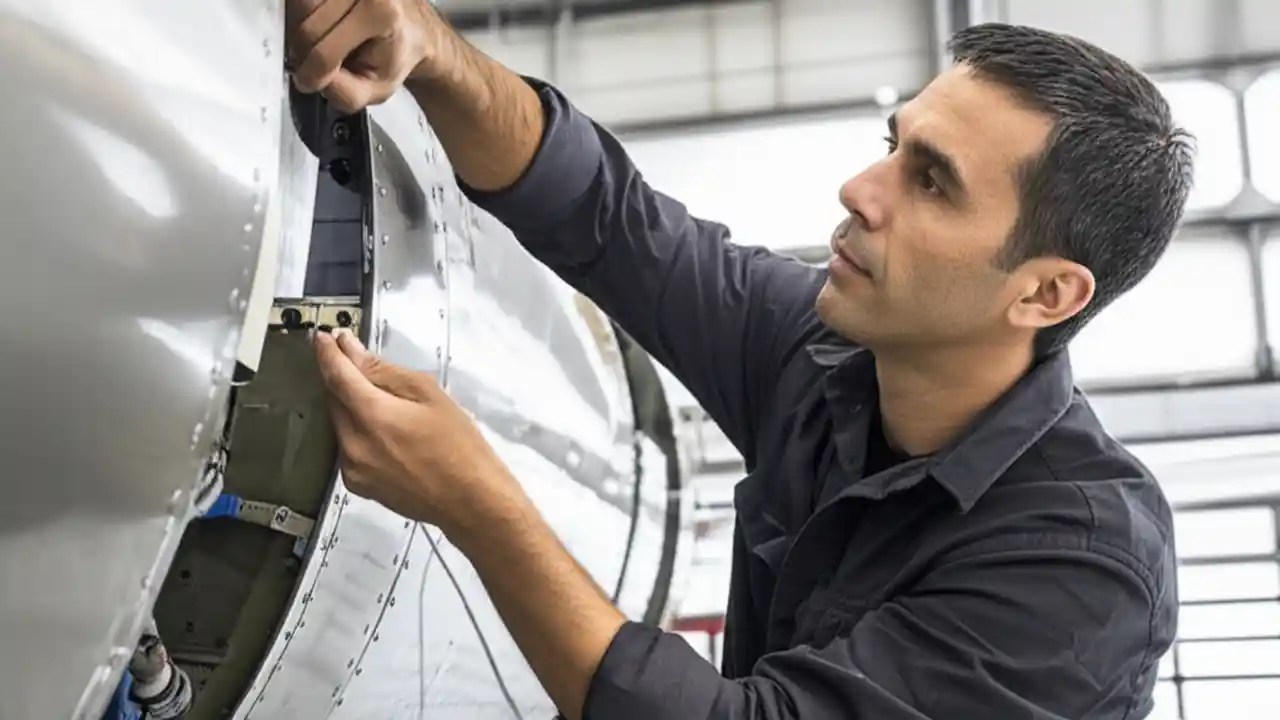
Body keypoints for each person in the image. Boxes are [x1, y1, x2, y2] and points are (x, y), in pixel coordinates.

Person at [286, 1, 1193, 718]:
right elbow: (611, 221)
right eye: (893, 146)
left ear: (1046, 295)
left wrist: (475, 504)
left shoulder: (1079, 572)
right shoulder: (827, 348)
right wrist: (434, 49)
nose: (860, 191)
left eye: (931, 181)